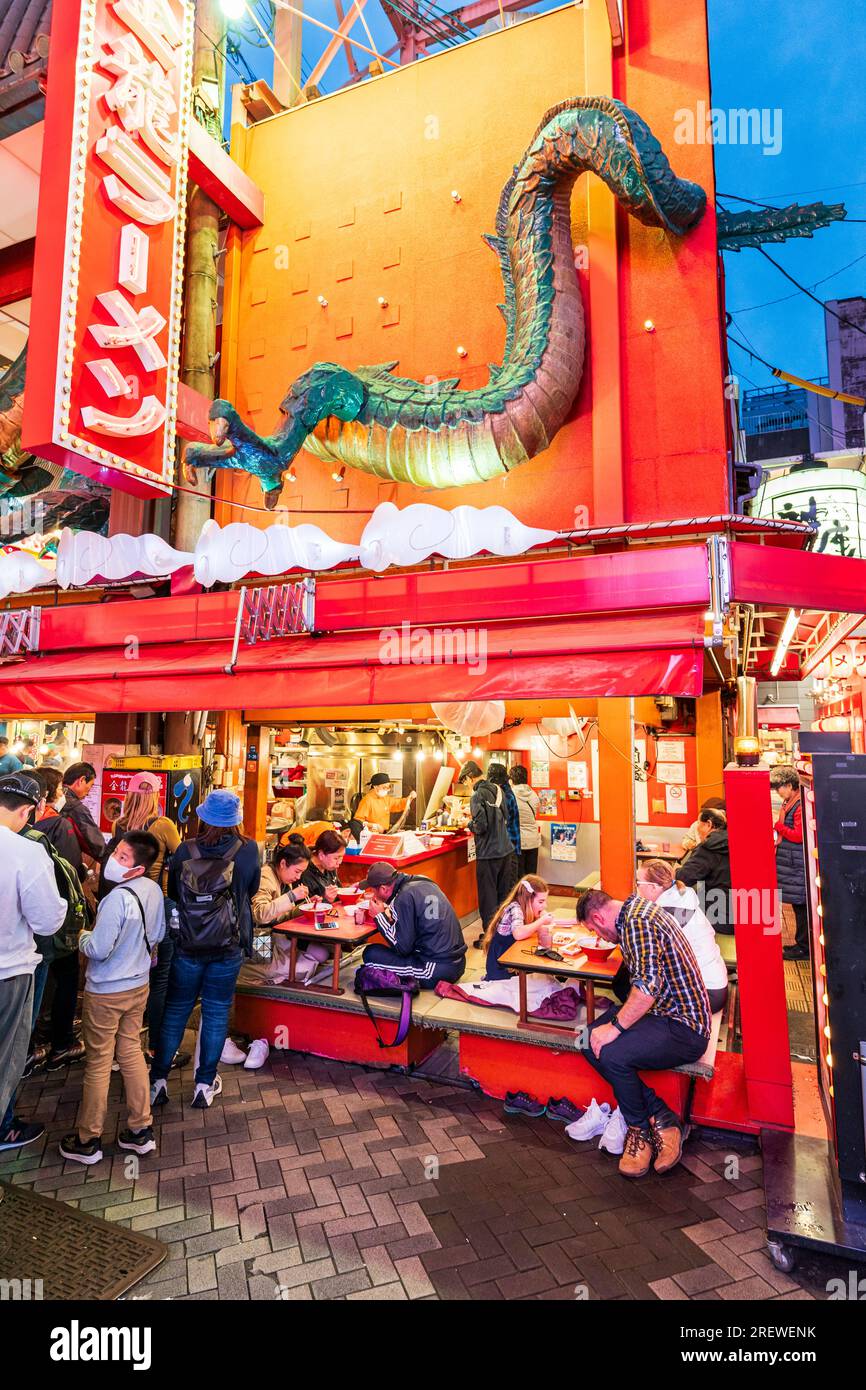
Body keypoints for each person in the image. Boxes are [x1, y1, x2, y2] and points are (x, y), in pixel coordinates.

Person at [574, 887, 711, 1179]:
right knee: (586, 1039)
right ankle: (661, 1116)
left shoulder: (637, 923)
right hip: (661, 1013)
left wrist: (616, 1027)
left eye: (593, 930)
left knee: (612, 1053)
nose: (599, 938)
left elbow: (647, 989)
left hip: (684, 1026)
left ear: (598, 917)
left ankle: (639, 1130)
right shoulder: (634, 911)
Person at [59, 832, 166, 1165]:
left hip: (106, 992)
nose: (113, 860)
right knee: (132, 1052)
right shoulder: (153, 890)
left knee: (99, 1063)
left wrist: (81, 935)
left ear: (137, 867)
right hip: (138, 987)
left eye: (122, 857)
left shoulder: (117, 899)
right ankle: (140, 1131)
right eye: (116, 852)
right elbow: (159, 934)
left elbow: (98, 949)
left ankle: (88, 1139)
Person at [150, 790, 260, 1110]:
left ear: (204, 817)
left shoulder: (186, 849)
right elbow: (249, 890)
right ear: (235, 820)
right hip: (228, 945)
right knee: (215, 1011)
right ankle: (203, 1083)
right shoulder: (248, 850)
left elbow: (173, 892)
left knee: (176, 1010)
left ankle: (158, 1081)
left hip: (187, 944)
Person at [0, 774, 65, 1151]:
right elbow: (47, 920)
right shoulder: (26, 852)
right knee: (5, 1059)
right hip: (9, 971)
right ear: (28, 811)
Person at [635, 860, 728, 1012]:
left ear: (653, 887)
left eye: (638, 883)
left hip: (705, 994)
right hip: (716, 984)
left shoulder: (667, 914)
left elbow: (652, 959)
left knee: (634, 989)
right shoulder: (680, 897)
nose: (636, 889)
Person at [359, 861, 466, 987]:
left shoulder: (403, 897)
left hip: (434, 969)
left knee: (370, 954)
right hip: (457, 963)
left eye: (372, 889)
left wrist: (379, 916)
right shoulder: (423, 881)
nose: (373, 893)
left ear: (383, 889)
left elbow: (402, 948)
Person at [457, 759, 517, 947]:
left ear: (469, 778)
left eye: (465, 782)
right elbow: (506, 816)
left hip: (488, 853)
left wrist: (466, 823)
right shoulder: (499, 790)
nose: (466, 785)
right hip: (506, 850)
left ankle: (489, 937)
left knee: (488, 897)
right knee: (502, 894)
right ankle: (503, 932)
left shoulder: (476, 796)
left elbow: (480, 826)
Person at [252, 843, 329, 983]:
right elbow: (260, 915)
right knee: (299, 970)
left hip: (279, 937)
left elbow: (284, 915)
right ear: (283, 863)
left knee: (322, 954)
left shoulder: (283, 878)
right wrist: (291, 896)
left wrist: (306, 905)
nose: (298, 877)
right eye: (297, 871)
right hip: (259, 939)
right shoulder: (265, 877)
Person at [481, 874, 555, 981]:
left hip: (511, 965)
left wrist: (574, 921)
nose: (544, 906)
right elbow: (518, 933)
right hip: (501, 970)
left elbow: (550, 920)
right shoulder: (515, 908)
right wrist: (541, 921)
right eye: (541, 902)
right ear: (528, 899)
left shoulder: (526, 908)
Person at [770, 765, 809, 961]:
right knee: (798, 906)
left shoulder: (799, 805)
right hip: (792, 863)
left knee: (801, 906)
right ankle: (801, 943)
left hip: (796, 864)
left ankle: (804, 948)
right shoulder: (790, 802)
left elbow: (799, 836)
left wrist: (778, 826)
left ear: (789, 785)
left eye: (779, 787)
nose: (778, 792)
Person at [675, 805, 732, 933]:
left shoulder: (708, 847)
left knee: (678, 905)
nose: (697, 829)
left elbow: (684, 878)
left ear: (708, 824)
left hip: (720, 916)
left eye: (698, 824)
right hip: (747, 913)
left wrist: (677, 869)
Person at [61, 761, 106, 863]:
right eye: (91, 785)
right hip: (66, 866)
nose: (89, 791)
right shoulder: (76, 808)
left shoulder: (53, 797)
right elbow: (97, 847)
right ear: (82, 780)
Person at [509, 764, 541, 876]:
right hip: (533, 839)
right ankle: (533, 894)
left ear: (511, 780)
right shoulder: (534, 795)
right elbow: (534, 814)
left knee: (519, 877)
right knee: (531, 876)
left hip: (518, 842)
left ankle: (522, 894)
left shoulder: (510, 795)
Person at [487, 763, 522, 862]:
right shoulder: (506, 792)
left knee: (509, 877)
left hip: (509, 849)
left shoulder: (505, 796)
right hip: (510, 847)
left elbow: (498, 821)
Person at [301, 829, 346, 902]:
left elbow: (338, 891)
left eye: (342, 857)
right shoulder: (303, 871)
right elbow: (302, 908)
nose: (340, 862)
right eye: (336, 858)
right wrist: (325, 899)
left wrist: (350, 891)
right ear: (321, 855)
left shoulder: (329, 866)